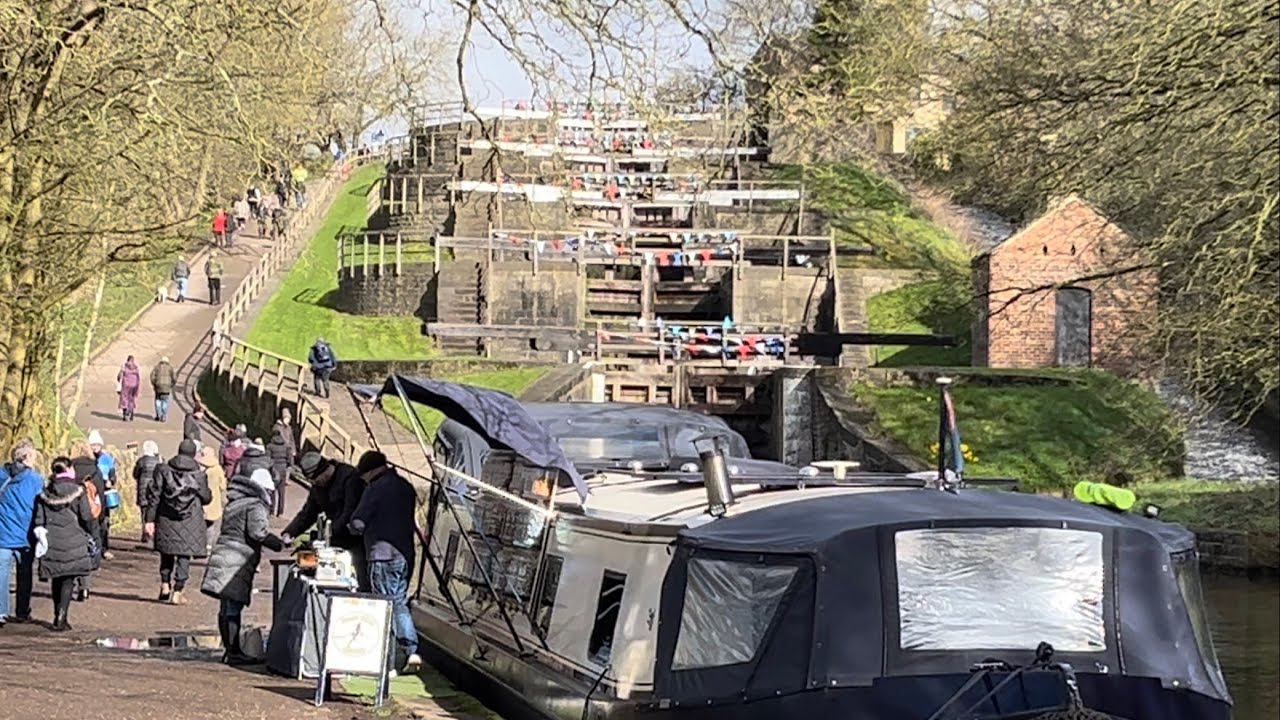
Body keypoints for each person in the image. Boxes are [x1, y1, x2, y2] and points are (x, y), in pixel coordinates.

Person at [201, 468, 283, 665]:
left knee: (225, 605)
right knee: (233, 606)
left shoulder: (235, 502)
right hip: (238, 557)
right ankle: (234, 652)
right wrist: (278, 543)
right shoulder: (256, 505)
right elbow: (258, 532)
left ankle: (230, 649)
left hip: (224, 552)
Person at [348, 451, 421, 672]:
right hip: (405, 554)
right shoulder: (406, 487)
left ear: (371, 471)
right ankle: (411, 651)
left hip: (382, 555)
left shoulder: (375, 489)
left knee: (384, 606)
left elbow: (359, 522)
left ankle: (388, 659)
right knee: (399, 601)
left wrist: (351, 527)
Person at [33, 457, 101, 631]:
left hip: (53, 540)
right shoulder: (78, 491)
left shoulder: (44, 493)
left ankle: (58, 613)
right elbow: (86, 517)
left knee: (56, 577)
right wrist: (93, 534)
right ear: (69, 470)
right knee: (68, 579)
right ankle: (62, 616)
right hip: (73, 539)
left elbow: (39, 519)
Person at [282, 452, 366, 589]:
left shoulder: (349, 478)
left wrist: (332, 531)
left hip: (355, 539)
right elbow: (308, 512)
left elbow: (350, 510)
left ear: (324, 470)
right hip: (334, 537)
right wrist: (291, 532)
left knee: (360, 578)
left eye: (316, 479)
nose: (316, 483)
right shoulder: (318, 488)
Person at [144, 439, 212, 605]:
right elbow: (206, 498)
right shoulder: (199, 474)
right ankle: (178, 590)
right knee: (184, 555)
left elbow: (154, 496)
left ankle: (165, 585)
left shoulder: (163, 470)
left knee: (166, 552)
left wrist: (149, 519)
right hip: (190, 519)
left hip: (166, 516)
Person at [0, 442, 43, 626]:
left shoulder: (2, 475)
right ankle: (22, 611)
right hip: (26, 534)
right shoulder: (35, 479)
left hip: (3, 533)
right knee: (24, 574)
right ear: (26, 458)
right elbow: (41, 503)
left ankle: (1, 611)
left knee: (1, 575)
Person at [87, 431, 118, 561]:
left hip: (104, 494)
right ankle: (92, 548)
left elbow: (113, 474)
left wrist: (111, 480)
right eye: (92, 445)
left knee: (104, 523)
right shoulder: (88, 460)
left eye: (97, 445)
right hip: (91, 494)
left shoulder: (107, 458)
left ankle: (104, 549)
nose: (94, 447)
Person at [198, 446, 226, 555]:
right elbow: (223, 486)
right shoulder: (218, 469)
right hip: (214, 500)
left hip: (202, 499)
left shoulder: (201, 469)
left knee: (201, 524)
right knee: (212, 525)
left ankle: (201, 544)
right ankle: (209, 545)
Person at [132, 440, 162, 541]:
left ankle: (145, 534)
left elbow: (135, 474)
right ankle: (155, 534)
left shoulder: (141, 461)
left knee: (144, 512)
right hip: (156, 489)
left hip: (143, 490)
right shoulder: (160, 460)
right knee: (155, 512)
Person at [266, 419, 294, 518]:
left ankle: (271, 510)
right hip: (283, 470)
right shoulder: (286, 446)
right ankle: (280, 512)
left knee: (272, 491)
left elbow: (267, 459)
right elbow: (290, 460)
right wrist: (287, 465)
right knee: (282, 493)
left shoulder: (270, 446)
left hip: (273, 470)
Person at [151, 356, 176, 422]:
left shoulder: (157, 367)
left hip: (158, 386)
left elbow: (152, 376)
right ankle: (164, 416)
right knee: (165, 401)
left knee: (158, 400)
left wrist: (154, 384)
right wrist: (171, 385)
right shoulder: (170, 368)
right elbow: (174, 378)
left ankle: (158, 414)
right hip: (167, 387)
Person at [117, 356, 141, 422]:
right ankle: (131, 413)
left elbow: (119, 376)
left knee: (124, 399)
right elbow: (138, 378)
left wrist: (119, 379)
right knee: (131, 399)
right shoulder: (136, 368)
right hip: (134, 385)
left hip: (126, 385)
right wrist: (137, 386)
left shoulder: (124, 367)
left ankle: (125, 414)